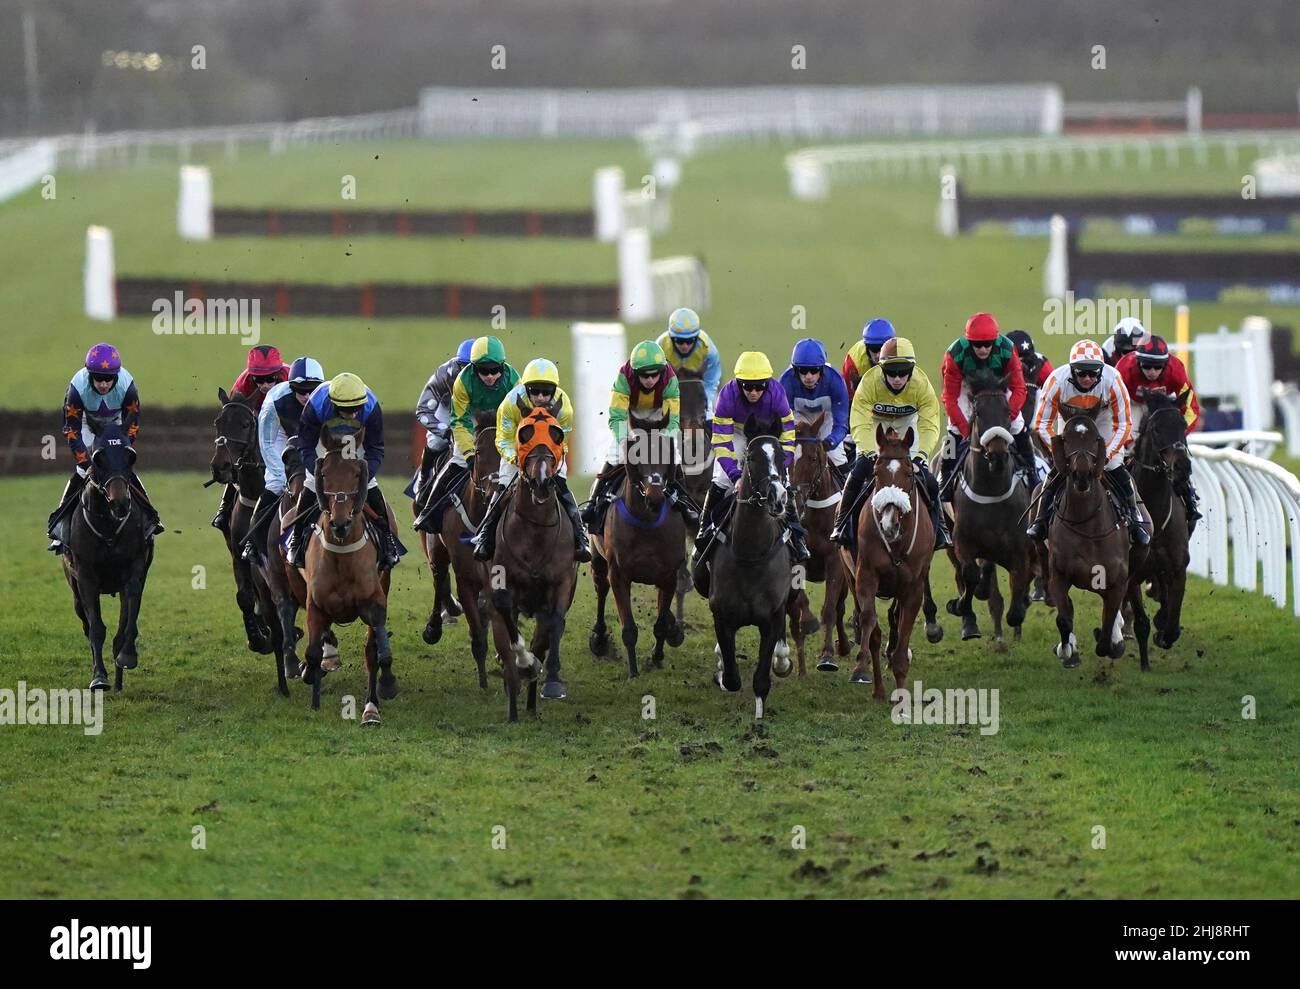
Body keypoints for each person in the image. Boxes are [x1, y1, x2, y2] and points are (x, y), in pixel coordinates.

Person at [691, 351, 809, 581]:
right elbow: (721, 444)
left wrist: (781, 467)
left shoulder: (777, 394)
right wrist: (736, 476)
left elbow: (788, 435)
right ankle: (704, 534)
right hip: (735, 434)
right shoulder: (727, 396)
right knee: (720, 481)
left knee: (782, 482)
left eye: (759, 387)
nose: (754, 392)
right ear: (738, 384)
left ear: (767, 384)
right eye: (748, 387)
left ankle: (797, 537)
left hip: (767, 435)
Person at [830, 336, 949, 549]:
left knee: (929, 480)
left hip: (908, 428)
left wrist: (921, 456)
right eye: (891, 372)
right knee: (859, 471)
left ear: (911, 370)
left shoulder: (922, 385)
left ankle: (940, 531)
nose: (897, 378)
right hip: (876, 428)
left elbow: (929, 424)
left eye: (903, 372)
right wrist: (868, 452)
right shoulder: (869, 382)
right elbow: (859, 420)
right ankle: (841, 525)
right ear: (881, 369)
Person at [1027, 339, 1149, 545]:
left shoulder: (1113, 380)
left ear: (1101, 371)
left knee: (1112, 466)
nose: (1087, 378)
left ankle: (1134, 517)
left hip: (1102, 419)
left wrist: (1106, 455)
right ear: (1071, 370)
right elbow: (1042, 424)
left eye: (1093, 373)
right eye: (1081, 373)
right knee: (1059, 469)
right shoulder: (1056, 381)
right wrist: (1060, 454)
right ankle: (1041, 520)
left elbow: (1123, 424)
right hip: (1068, 419)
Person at [471, 358, 591, 563]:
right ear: (526, 389)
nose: (541, 397)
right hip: (517, 454)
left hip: (550, 456)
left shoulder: (564, 408)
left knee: (561, 485)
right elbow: (503, 440)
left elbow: (562, 443)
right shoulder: (510, 404)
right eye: (535, 391)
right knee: (502, 487)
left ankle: (581, 538)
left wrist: (550, 465)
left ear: (555, 391)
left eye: (546, 392)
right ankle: (485, 537)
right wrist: (519, 461)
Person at [48, 343, 163, 552]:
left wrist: (117, 454)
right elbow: (72, 430)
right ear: (89, 375)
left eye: (108, 379)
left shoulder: (128, 387)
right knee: (83, 471)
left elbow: (133, 423)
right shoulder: (76, 389)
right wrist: (87, 461)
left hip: (117, 423)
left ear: (116, 377)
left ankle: (150, 519)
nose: (103, 384)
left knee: (121, 469)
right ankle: (60, 528)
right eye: (98, 378)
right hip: (86, 422)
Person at [286, 372, 406, 568]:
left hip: (355, 452)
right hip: (323, 449)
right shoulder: (316, 405)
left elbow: (376, 448)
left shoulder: (371, 406)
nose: (352, 414)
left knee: (374, 492)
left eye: (356, 409)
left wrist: (365, 474)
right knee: (309, 487)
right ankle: (296, 541)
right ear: (333, 404)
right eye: (346, 410)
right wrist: (318, 472)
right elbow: (305, 445)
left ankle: (388, 543)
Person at [582, 339, 700, 534]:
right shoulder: (623, 377)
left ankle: (684, 503)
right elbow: (616, 417)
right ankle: (594, 504)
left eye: (655, 375)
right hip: (631, 416)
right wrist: (626, 441)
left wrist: (663, 440)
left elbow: (673, 420)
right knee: (614, 455)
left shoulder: (670, 379)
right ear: (635, 373)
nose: (650, 380)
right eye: (645, 376)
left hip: (659, 416)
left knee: (675, 454)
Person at [414, 336, 521, 535]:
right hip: (470, 417)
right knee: (457, 458)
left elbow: (518, 418)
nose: (490, 376)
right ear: (472, 368)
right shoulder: (462, 380)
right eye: (483, 371)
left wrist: (508, 446)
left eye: (495, 370)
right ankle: (429, 510)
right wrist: (469, 455)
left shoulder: (514, 380)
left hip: (501, 419)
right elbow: (460, 422)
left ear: (503, 366)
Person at [938, 312, 1036, 499]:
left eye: (987, 344)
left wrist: (1009, 415)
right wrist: (966, 431)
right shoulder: (955, 354)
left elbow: (1019, 388)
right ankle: (946, 476)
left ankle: (1032, 473)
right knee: (953, 431)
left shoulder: (1007, 349)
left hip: (999, 385)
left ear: (995, 340)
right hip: (967, 386)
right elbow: (949, 398)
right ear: (969, 342)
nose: (982, 349)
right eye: (977, 345)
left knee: (1018, 426)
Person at [240, 356, 325, 561]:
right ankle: (253, 541)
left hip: (312, 436)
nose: (305, 396)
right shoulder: (274, 403)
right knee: (276, 482)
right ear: (290, 385)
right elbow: (267, 444)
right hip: (280, 434)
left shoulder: (327, 399)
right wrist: (284, 475)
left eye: (311, 390)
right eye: (300, 390)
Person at [1116, 335, 1203, 527]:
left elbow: (1191, 409)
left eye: (1157, 367)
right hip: (1133, 404)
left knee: (1176, 451)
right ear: (1137, 362)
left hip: (1165, 405)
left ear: (1166, 365)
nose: (1152, 372)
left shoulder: (1176, 370)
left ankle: (1189, 495)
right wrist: (1126, 440)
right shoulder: (1124, 369)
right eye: (1146, 366)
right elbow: (1116, 408)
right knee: (1127, 448)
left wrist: (1177, 435)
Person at [212, 345, 290, 533]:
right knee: (240, 452)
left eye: (270, 379)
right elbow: (234, 420)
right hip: (256, 419)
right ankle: (226, 505)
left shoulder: (290, 379)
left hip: (285, 420)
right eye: (259, 380)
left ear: (279, 373)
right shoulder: (242, 385)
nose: (264, 385)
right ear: (251, 375)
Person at [778, 338, 851, 482]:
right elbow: (783, 422)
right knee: (793, 456)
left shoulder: (836, 381)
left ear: (822, 369)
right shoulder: (786, 382)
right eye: (803, 371)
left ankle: (846, 498)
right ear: (795, 370)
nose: (808, 376)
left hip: (826, 419)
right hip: (798, 420)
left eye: (814, 370)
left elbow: (841, 424)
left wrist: (831, 441)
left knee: (835, 456)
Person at [412, 338, 476, 502]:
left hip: (477, 410)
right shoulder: (444, 374)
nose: (467, 373)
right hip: (450, 408)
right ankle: (423, 479)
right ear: (457, 364)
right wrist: (446, 432)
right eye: (463, 367)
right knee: (436, 442)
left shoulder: (493, 374)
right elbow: (423, 410)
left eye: (472, 368)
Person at [656, 307, 722, 418]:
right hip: (670, 389)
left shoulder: (708, 349)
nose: (685, 346)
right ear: (671, 338)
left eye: (690, 341)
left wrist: (705, 402)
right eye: (680, 341)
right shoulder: (660, 347)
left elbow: (712, 380)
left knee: (709, 417)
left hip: (700, 387)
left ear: (696, 338)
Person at [841, 318, 896, 397]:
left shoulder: (901, 353)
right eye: (874, 349)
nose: (878, 355)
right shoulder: (853, 362)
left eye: (883, 349)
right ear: (866, 346)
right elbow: (847, 397)